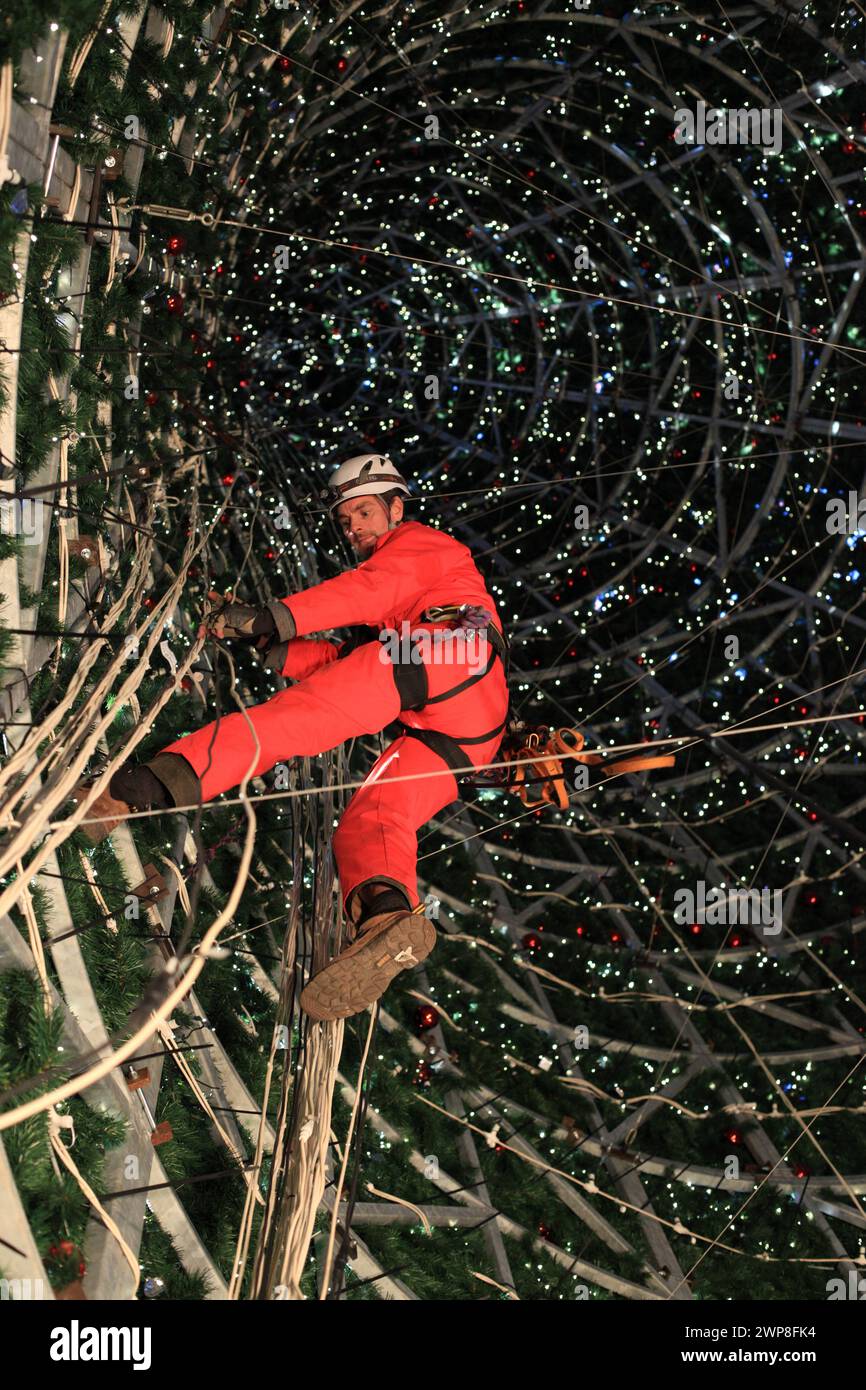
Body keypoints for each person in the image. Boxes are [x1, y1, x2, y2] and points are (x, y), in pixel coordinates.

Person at [77, 454, 509, 1021]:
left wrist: (271, 617)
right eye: (345, 518)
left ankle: (125, 792)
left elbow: (364, 592)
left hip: (448, 656)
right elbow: (351, 659)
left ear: (396, 507)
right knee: (376, 817)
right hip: (471, 725)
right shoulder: (414, 596)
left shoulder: (423, 545)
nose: (353, 525)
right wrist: (274, 646)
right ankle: (386, 915)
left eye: (363, 511)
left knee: (290, 723)